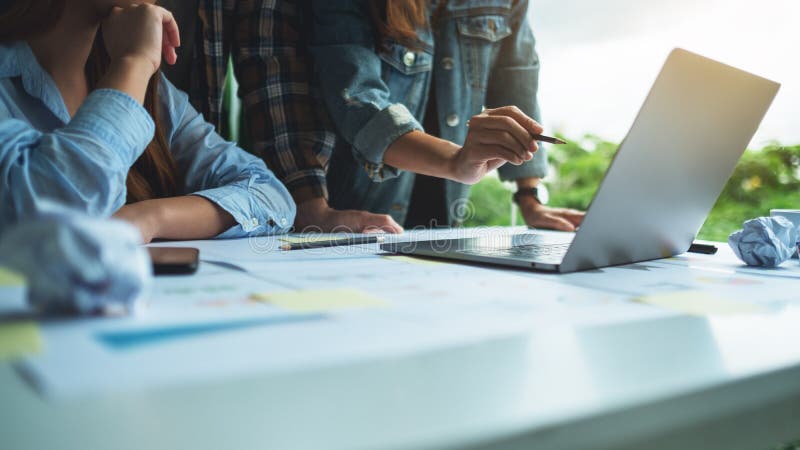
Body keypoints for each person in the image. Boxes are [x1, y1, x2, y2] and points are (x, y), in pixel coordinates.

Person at [0, 0, 296, 242]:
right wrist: (135, 62)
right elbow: (61, 216)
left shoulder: (152, 90)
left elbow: (270, 195)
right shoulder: (134, 69)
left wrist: (147, 219)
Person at [308, 0, 585, 231]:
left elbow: (516, 81)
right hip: (356, 214)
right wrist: (457, 160)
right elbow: (357, 97)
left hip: (446, 215)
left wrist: (530, 199)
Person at [157, 0, 404, 234]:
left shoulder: (171, 108)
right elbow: (358, 97)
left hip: (181, 191)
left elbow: (271, 63)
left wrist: (309, 206)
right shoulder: (156, 89)